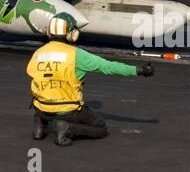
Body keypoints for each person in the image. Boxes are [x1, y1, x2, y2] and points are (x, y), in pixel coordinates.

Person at [26, 13, 153, 146]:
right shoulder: (76, 55)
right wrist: (139, 70)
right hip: (68, 110)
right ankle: (69, 129)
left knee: (44, 92)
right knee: (101, 129)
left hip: (41, 107)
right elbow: (108, 67)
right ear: (72, 34)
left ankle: (39, 126)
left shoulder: (38, 53)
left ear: (49, 33)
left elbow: (32, 73)